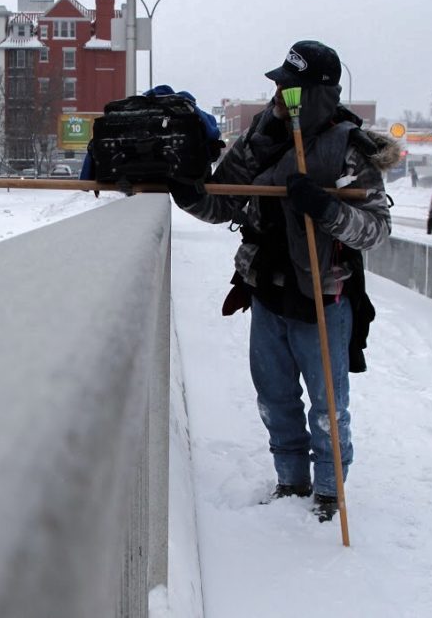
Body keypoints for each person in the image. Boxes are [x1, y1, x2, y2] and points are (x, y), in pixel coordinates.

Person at [167, 40, 398, 522]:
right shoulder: (261, 136)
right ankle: (291, 482)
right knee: (275, 397)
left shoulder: (349, 147)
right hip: (267, 292)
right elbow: (222, 202)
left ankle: (330, 494)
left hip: (323, 296)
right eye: (277, 84)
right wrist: (187, 192)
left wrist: (327, 208)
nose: (278, 93)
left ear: (317, 94)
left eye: (289, 87)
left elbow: (376, 229)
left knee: (327, 406)